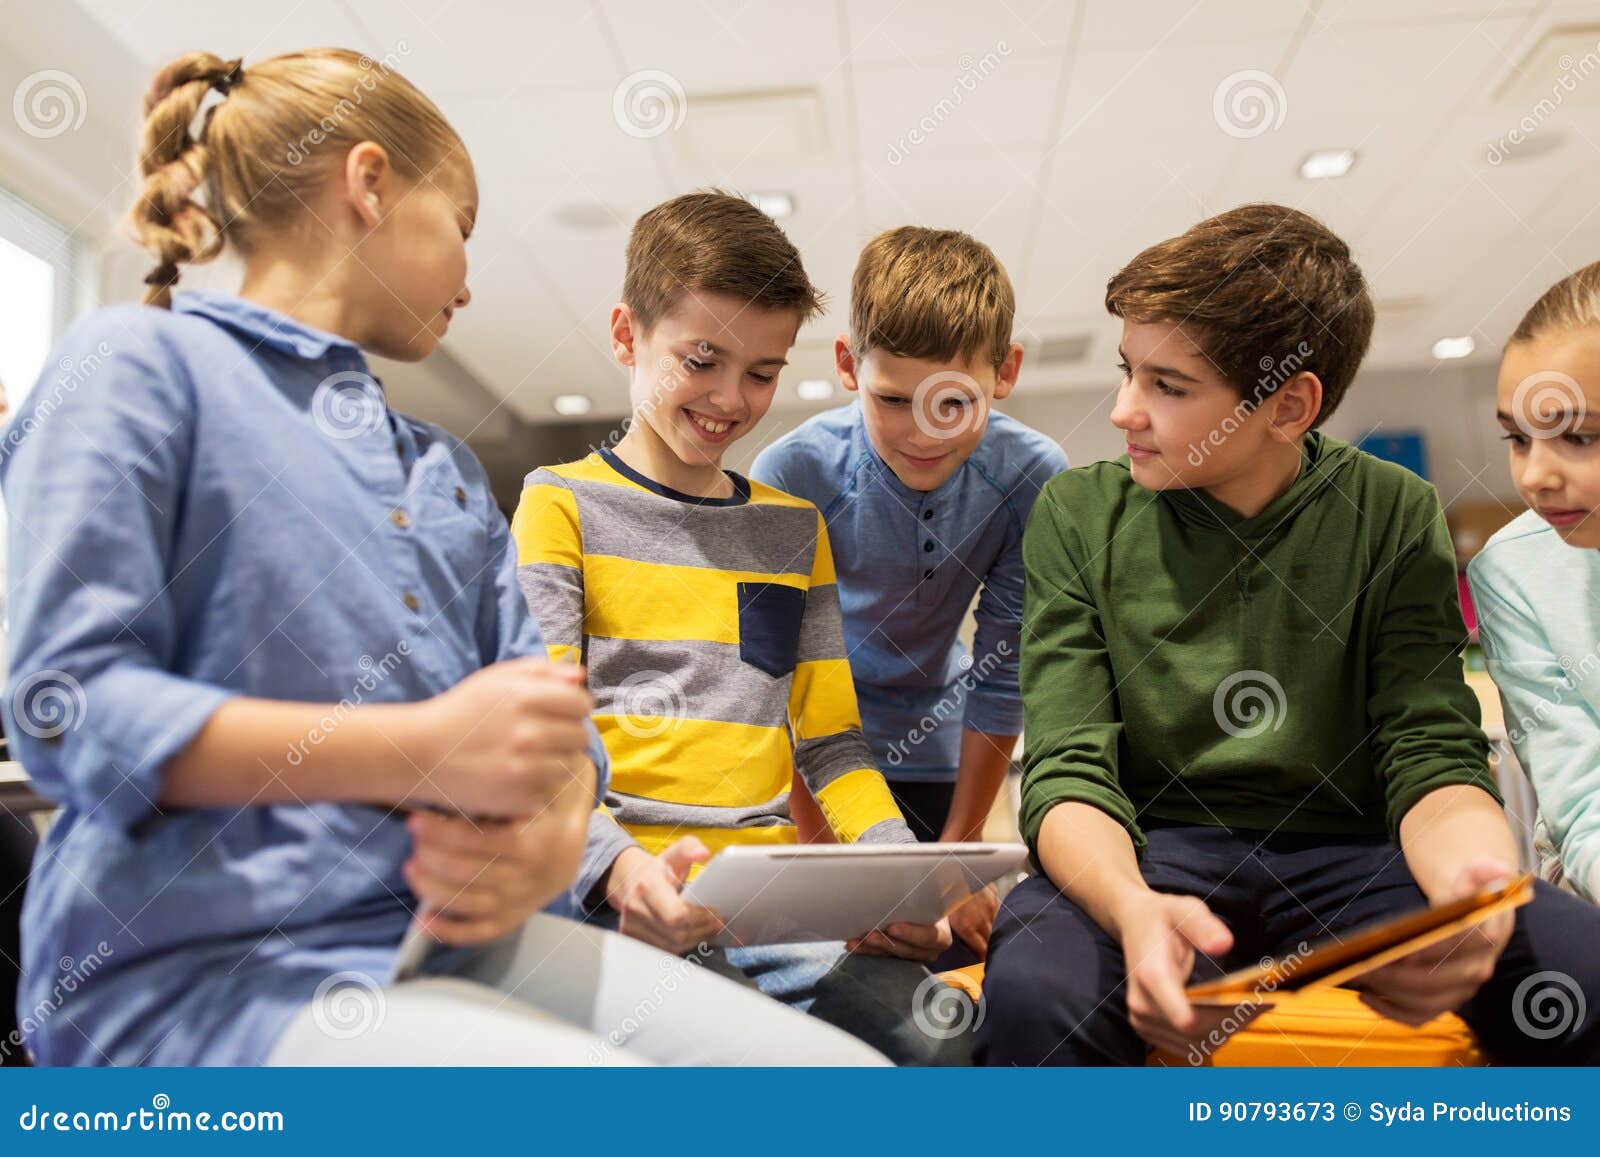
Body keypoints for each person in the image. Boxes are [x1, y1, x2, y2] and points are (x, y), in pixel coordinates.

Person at [1, 50, 883, 1067]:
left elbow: (559, 749)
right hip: (202, 976)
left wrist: (554, 849)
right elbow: (69, 708)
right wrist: (416, 745)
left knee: (839, 1078)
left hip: (451, 941)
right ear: (369, 184)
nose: (469, 277)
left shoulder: (445, 474)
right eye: (460, 227)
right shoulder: (137, 368)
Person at [975, 203, 1600, 1066]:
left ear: (1288, 405)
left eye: (1167, 385)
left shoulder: (1390, 509)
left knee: (1580, 975)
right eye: (1129, 371)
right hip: (1147, 853)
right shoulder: (1078, 514)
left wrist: (1479, 893)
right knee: (1038, 1000)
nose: (1123, 411)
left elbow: (1429, 751)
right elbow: (1069, 767)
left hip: (1355, 853)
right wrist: (1130, 906)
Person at [512, 192, 968, 1064]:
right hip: (619, 897)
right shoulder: (558, 503)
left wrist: (898, 873)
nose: (730, 398)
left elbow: (831, 744)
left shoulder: (793, 530)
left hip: (773, 907)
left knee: (941, 1038)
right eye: (702, 359)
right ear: (625, 336)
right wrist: (620, 870)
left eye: (760, 372)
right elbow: (542, 746)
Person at [751, 226, 1067, 966]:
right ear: (845, 365)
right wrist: (834, 865)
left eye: (954, 402)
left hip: (941, 751)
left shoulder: (1029, 475)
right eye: (893, 399)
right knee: (828, 967)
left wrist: (960, 856)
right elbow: (772, 679)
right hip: (810, 757)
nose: (923, 433)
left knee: (961, 954)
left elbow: (1004, 669)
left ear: (1007, 371)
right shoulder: (793, 472)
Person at [1468, 260, 1600, 905]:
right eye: (1518, 438)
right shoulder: (1514, 570)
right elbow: (1582, 797)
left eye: (1579, 436)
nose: (1535, 476)